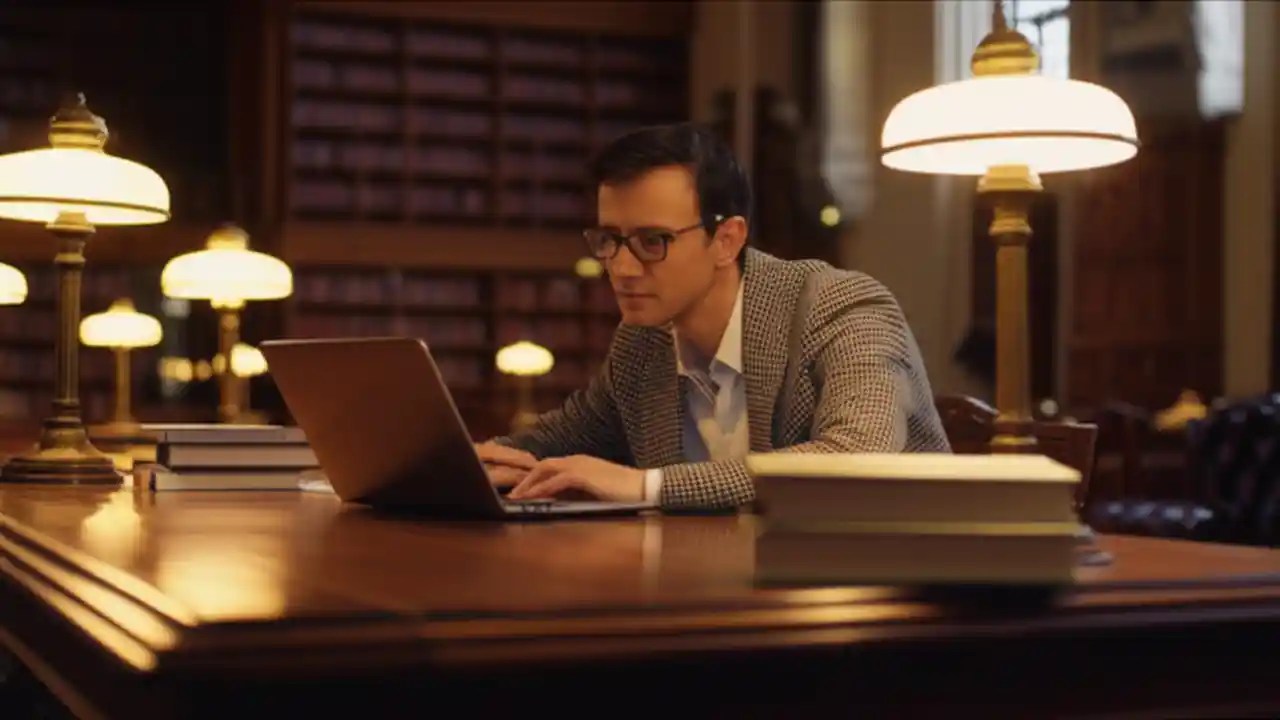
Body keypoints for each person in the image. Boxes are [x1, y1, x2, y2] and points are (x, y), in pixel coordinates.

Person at [476, 123, 949, 510]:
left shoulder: (841, 307)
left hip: (904, 596)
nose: (620, 268)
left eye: (652, 241)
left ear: (727, 240)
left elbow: (856, 461)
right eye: (609, 241)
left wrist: (646, 487)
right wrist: (468, 462)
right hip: (724, 587)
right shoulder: (644, 341)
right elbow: (558, 440)